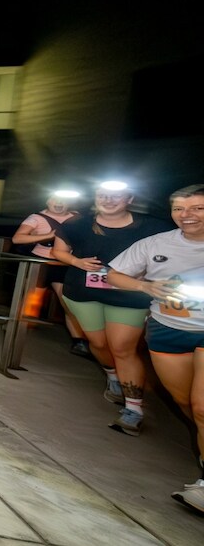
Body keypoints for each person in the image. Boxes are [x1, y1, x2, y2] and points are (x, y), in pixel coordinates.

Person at [105, 184, 204, 511]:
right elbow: (113, 275)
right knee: (186, 404)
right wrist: (145, 285)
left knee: (202, 406)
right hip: (167, 329)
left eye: (197, 208)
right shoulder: (156, 243)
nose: (187, 215)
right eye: (180, 208)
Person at [51, 180, 173, 435]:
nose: (108, 200)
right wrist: (77, 261)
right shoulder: (77, 223)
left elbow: (171, 253)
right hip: (83, 293)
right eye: (102, 195)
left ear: (129, 199)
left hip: (130, 296)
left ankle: (133, 409)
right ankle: (112, 375)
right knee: (98, 344)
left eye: (115, 196)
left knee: (123, 349)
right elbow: (58, 251)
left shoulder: (154, 227)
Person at [11, 189, 90, 358]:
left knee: (68, 303)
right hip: (41, 263)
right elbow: (17, 238)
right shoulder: (36, 218)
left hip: (64, 263)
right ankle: (16, 329)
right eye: (55, 199)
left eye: (63, 199)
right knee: (32, 299)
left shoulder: (77, 218)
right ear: (48, 201)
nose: (59, 202)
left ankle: (79, 341)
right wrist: (47, 236)